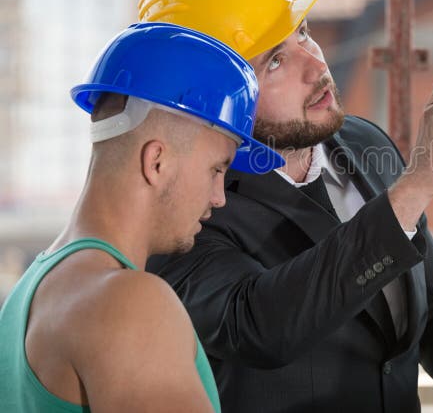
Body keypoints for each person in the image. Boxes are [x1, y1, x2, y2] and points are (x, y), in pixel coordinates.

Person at [141, 0, 433, 412]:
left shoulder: (365, 143)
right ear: (215, 99)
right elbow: (260, 326)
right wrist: (415, 188)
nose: (315, 65)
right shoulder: (188, 210)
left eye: (303, 32)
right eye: (275, 61)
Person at [0, 22, 284, 412]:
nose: (219, 198)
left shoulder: (27, 295)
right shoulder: (130, 306)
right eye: (217, 169)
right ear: (157, 162)